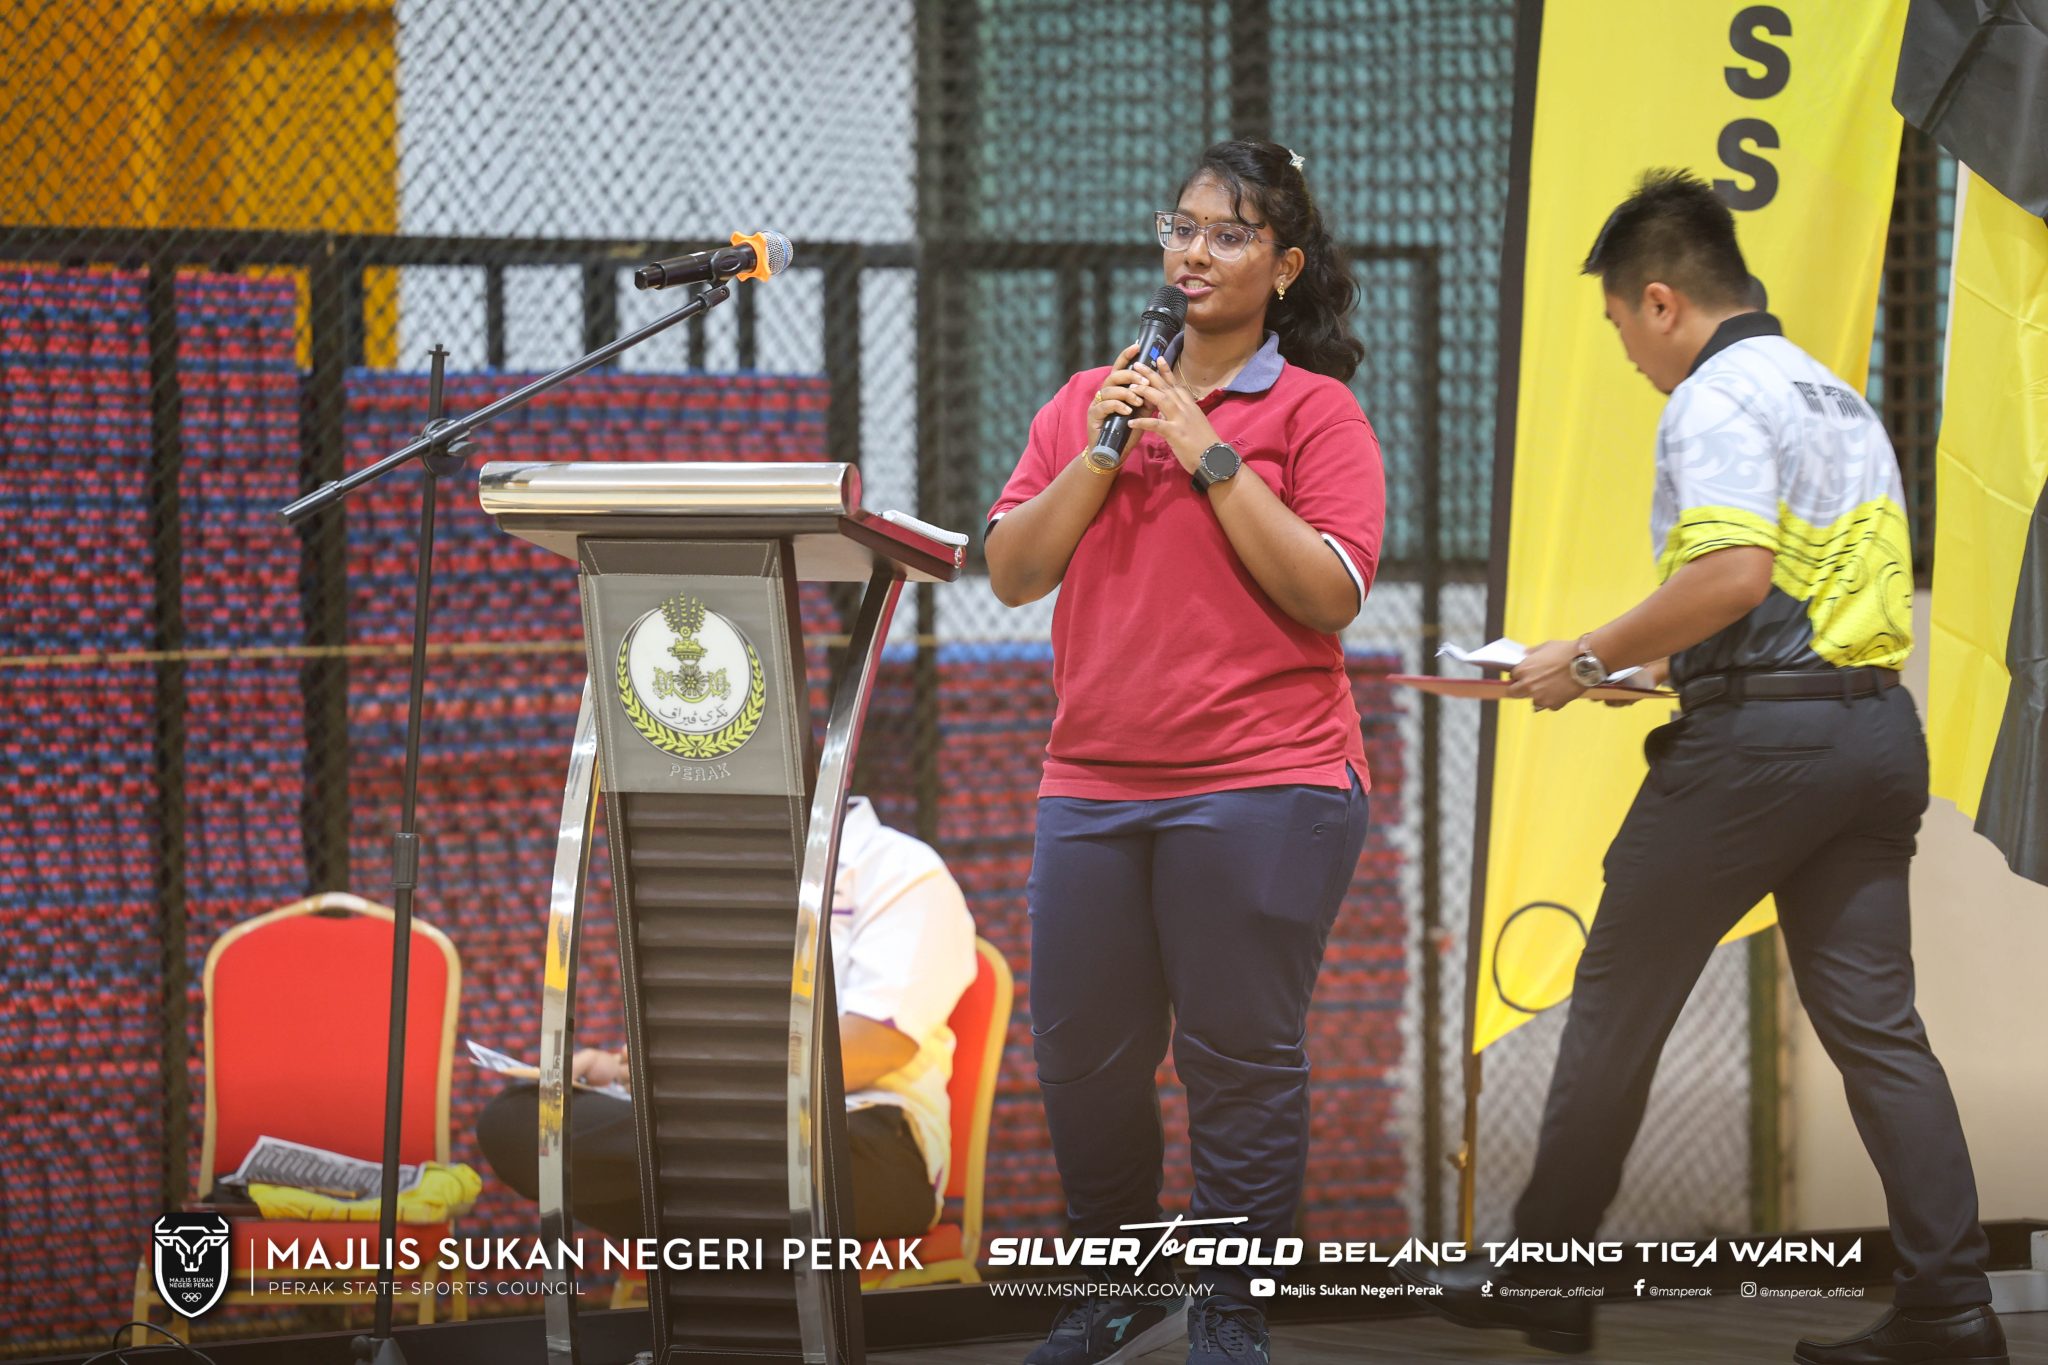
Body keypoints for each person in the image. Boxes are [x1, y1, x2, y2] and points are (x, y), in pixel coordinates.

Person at [1422, 170, 2005, 1365]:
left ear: (1657, 302)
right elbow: (1788, 600)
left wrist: (1574, 654)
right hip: (1870, 735)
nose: (1630, 356)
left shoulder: (1708, 399)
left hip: (1759, 755)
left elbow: (1731, 576)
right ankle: (1950, 1306)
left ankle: (1543, 1276)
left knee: (1616, 999)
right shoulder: (1831, 393)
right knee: (1876, 1031)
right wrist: (1652, 675)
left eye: (1620, 329)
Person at [985, 139, 1382, 1365]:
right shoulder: (1079, 402)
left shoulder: (1315, 413)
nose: (1193, 253)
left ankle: (1225, 1304)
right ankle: (1113, 1288)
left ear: (1282, 264)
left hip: (1266, 782)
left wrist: (1204, 448)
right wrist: (1106, 448)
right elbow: (1010, 571)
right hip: (1093, 786)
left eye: (1226, 233)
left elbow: (1329, 592)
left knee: (1236, 1060)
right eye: (1182, 228)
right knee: (1080, 1055)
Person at [475, 796, 978, 1244]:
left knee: (748, 1150)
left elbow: (875, 1045)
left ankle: (689, 1198)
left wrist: (691, 1074)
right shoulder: (716, 875)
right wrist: (619, 1070)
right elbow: (693, 1036)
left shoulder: (900, 867)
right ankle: (706, 1203)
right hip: (706, 1120)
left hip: (855, 1131)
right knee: (524, 1120)